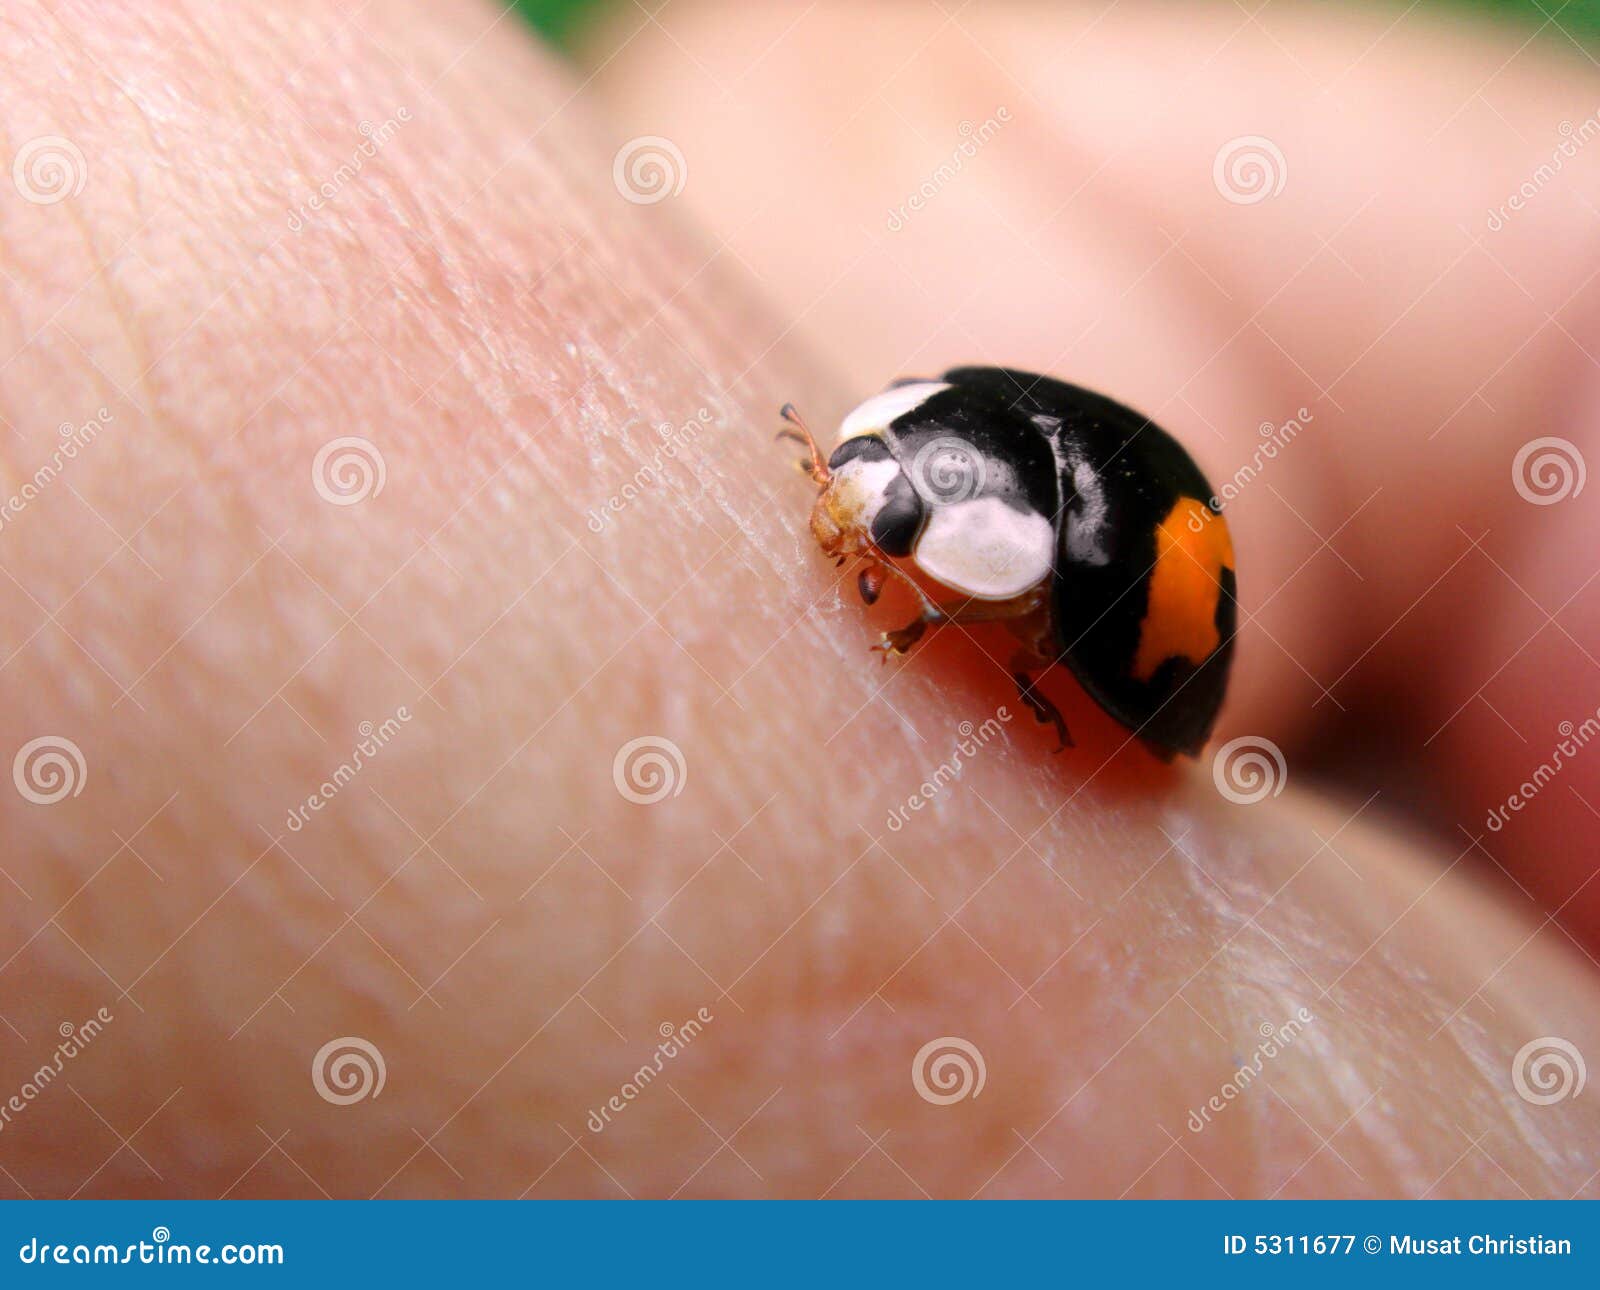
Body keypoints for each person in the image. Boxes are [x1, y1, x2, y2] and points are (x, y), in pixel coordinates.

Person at [1, 0, 1596, 1198]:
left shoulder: (1045, 569)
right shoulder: (955, 441)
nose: (858, 529)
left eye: (891, 524)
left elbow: (1036, 600)